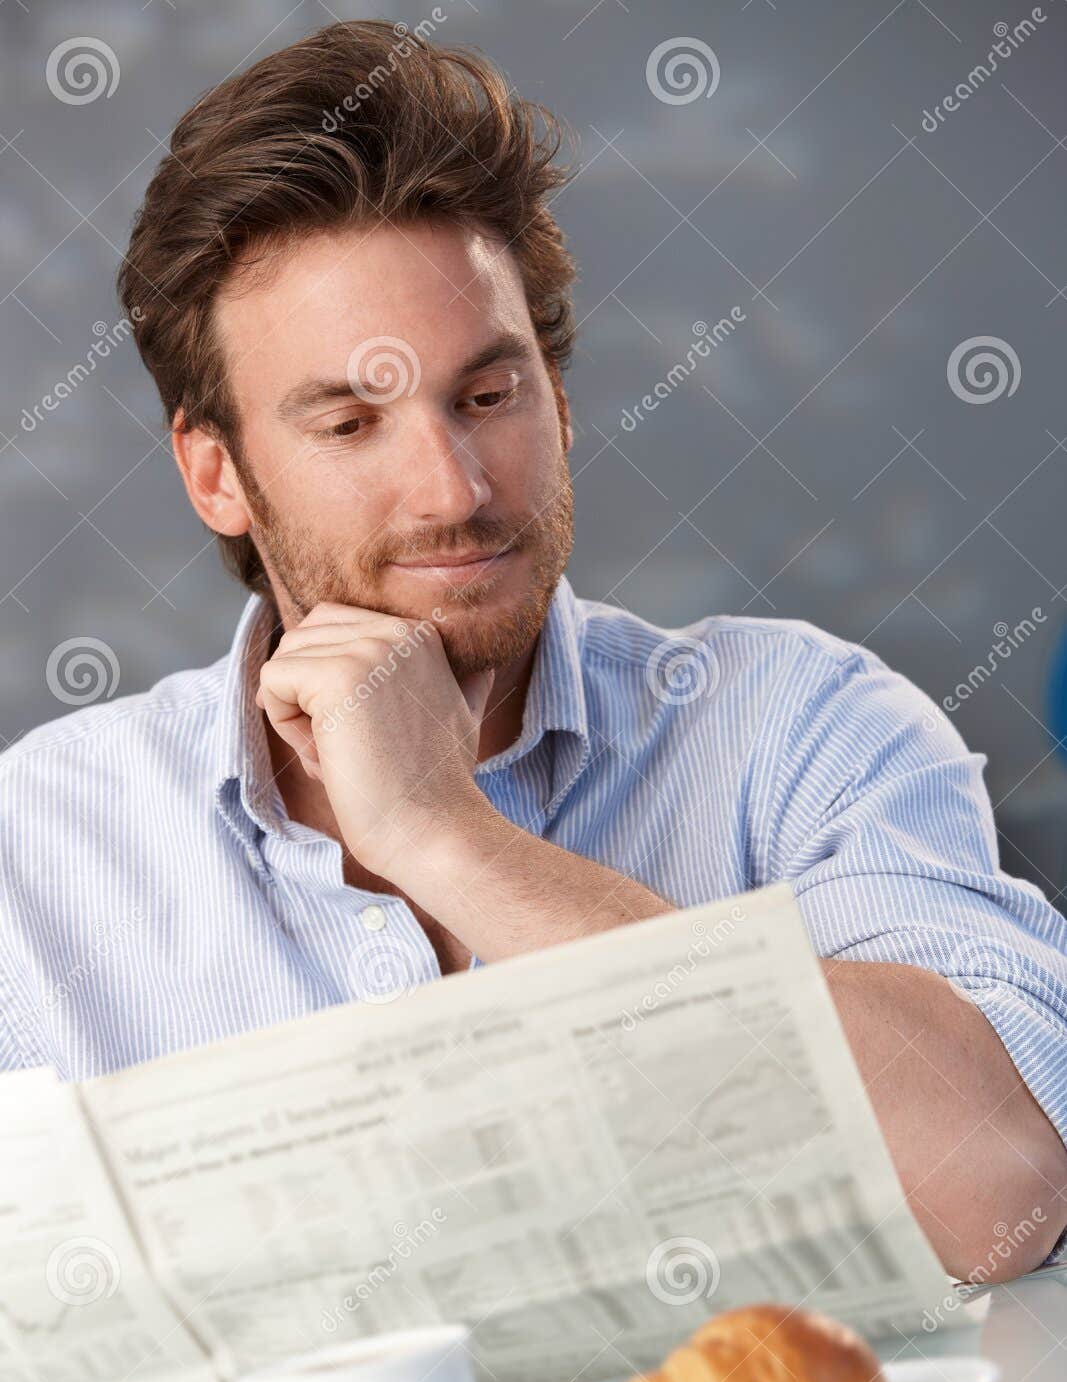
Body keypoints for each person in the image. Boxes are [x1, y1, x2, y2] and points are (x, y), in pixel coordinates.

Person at [3, 22, 1065, 1281]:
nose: (453, 489)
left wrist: (449, 836)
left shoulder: (803, 729)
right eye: (349, 422)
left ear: (556, 402)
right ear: (214, 473)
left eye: (486, 397)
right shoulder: (34, 853)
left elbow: (995, 1190)